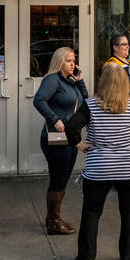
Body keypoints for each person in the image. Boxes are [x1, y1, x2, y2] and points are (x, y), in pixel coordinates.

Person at [74, 64, 130, 260]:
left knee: (92, 213)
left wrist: (80, 144)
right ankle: (128, 257)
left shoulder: (91, 105)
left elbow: (71, 127)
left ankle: (86, 258)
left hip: (99, 169)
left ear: (102, 82)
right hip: (128, 169)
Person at [32, 46, 87, 235]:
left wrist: (80, 82)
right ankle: (53, 222)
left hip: (68, 138)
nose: (73, 64)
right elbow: (38, 100)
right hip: (55, 138)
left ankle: (53, 218)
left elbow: (85, 101)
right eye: (69, 60)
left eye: (74, 60)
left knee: (62, 178)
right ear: (59, 61)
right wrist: (54, 119)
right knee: (58, 179)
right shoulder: (52, 79)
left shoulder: (70, 81)